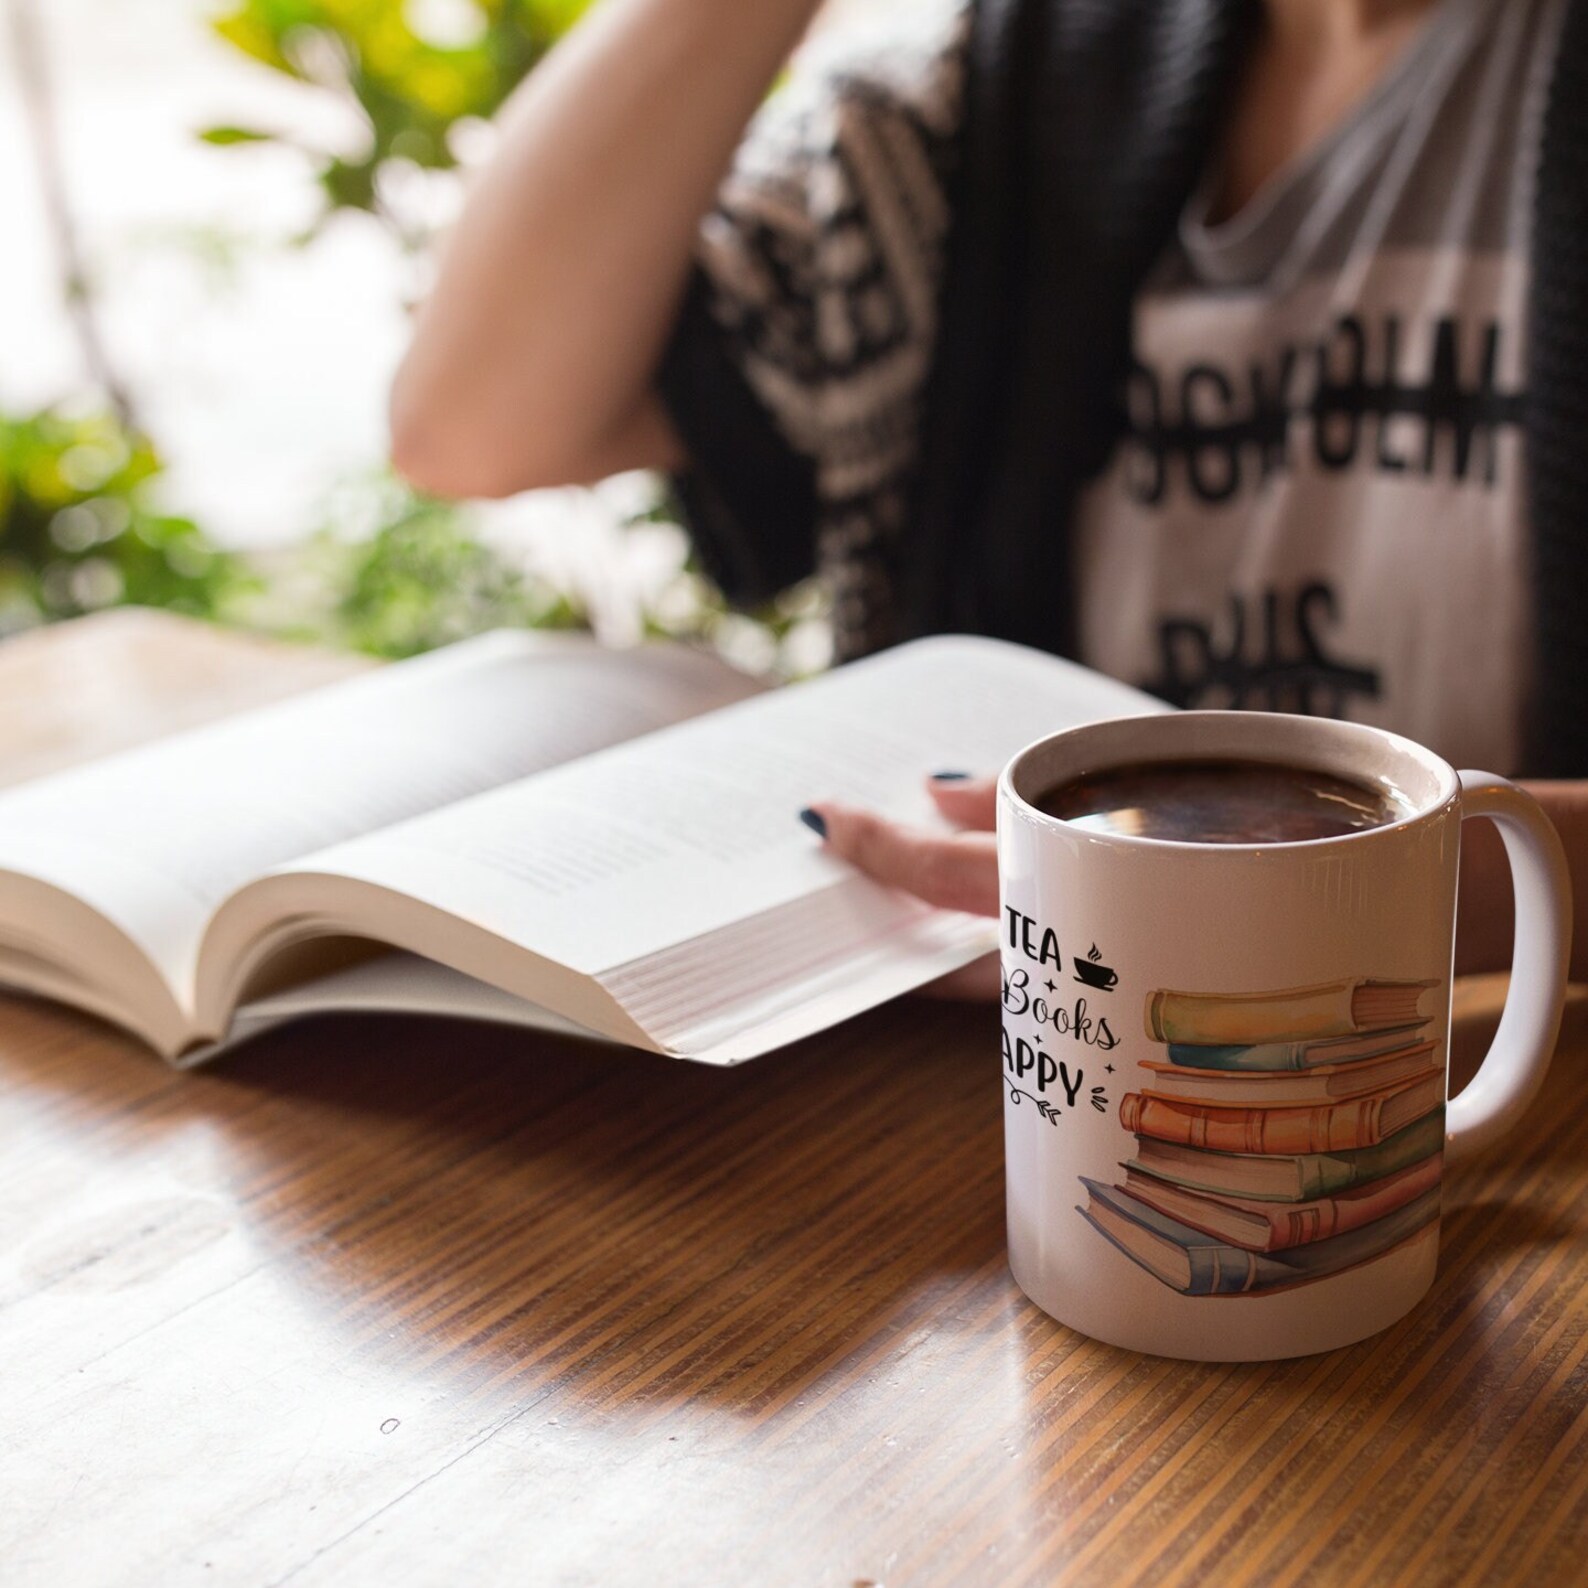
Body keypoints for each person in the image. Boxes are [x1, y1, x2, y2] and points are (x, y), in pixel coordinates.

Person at [391, 0, 1588, 993]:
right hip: (1003, 1100)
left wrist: (1366, 896)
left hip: (1508, 1099)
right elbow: (478, 422)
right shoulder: (988, 98)